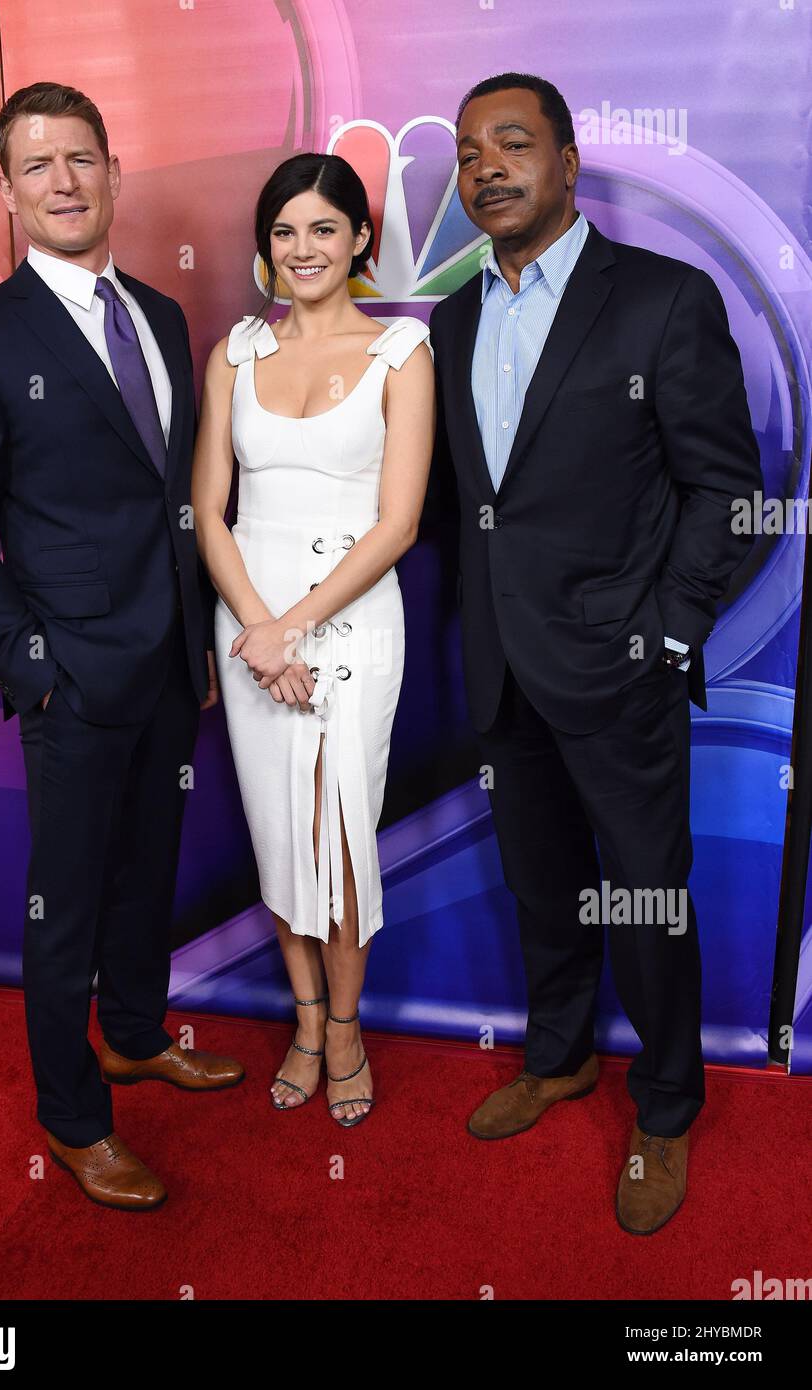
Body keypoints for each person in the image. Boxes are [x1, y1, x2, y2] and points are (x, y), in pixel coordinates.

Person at [428, 73, 761, 1233]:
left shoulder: (663, 300)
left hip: (623, 668)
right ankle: (560, 1053)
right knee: (541, 886)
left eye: (513, 145)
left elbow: (726, 488)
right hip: (503, 666)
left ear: (568, 162)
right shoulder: (456, 317)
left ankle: (666, 1106)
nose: (488, 170)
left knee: (647, 899)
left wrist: (668, 635)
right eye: (470, 154)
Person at [0, 81, 244, 1212]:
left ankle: (139, 1032)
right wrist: (31, 662)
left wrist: (197, 638)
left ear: (113, 173)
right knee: (64, 897)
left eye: (82, 159)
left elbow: (172, 500)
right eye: (38, 165)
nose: (64, 181)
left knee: (149, 866)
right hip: (71, 677)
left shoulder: (155, 314)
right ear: (6, 191)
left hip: (168, 661)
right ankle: (74, 1118)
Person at [192, 153, 433, 1126]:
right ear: (266, 246)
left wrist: (292, 628)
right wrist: (257, 629)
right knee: (279, 834)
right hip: (249, 618)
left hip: (350, 622)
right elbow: (210, 509)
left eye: (323, 229)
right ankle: (302, 1020)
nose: (303, 248)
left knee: (339, 836)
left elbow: (399, 522)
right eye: (285, 231)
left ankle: (346, 1027)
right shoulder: (235, 352)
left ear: (361, 240)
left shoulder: (401, 351)